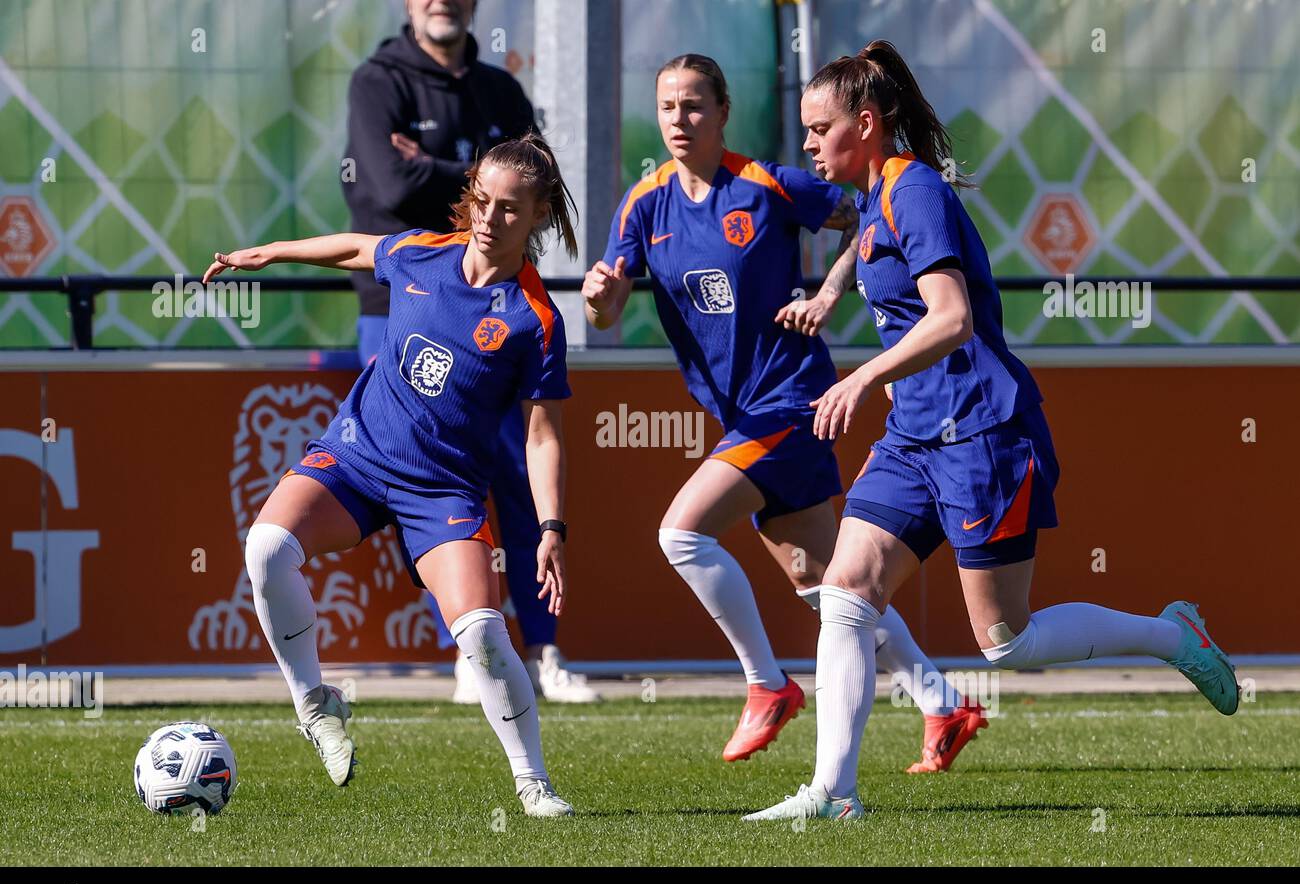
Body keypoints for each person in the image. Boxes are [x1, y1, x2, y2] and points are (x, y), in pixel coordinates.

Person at [745, 41, 1239, 821]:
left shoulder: (916, 193)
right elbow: (862, 246)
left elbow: (952, 318)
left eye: (817, 128)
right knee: (844, 596)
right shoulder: (876, 196)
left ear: (866, 124)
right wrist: (832, 293)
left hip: (983, 432)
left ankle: (1173, 638)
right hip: (913, 437)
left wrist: (864, 375)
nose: (805, 144)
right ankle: (832, 796)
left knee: (1005, 641)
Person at [583, 54, 984, 769]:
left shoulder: (768, 185)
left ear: (723, 111)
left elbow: (869, 215)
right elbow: (608, 311)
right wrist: (597, 294)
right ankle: (942, 702)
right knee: (827, 587)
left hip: (791, 401)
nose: (680, 119)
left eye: (696, 105)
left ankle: (768, 686)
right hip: (740, 414)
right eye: (669, 107)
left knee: (680, 533)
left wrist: (829, 293)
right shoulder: (644, 205)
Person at [204, 134, 581, 817]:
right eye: (484, 202)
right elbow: (355, 247)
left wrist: (551, 525)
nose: (491, 219)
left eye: (511, 209)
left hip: (443, 492)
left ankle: (535, 785)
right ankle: (316, 705)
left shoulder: (536, 320)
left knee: (483, 634)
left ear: (539, 218)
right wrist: (269, 253)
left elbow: (543, 433)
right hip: (356, 458)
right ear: (470, 198)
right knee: (265, 549)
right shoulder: (422, 254)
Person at [344, 0, 597, 703]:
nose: (443, 2)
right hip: (404, 309)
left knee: (519, 479)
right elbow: (389, 186)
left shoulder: (500, 88)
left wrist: (436, 164)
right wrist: (480, 174)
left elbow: (537, 180)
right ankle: (470, 650)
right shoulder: (377, 81)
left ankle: (546, 651)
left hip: (499, 316)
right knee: (417, 480)